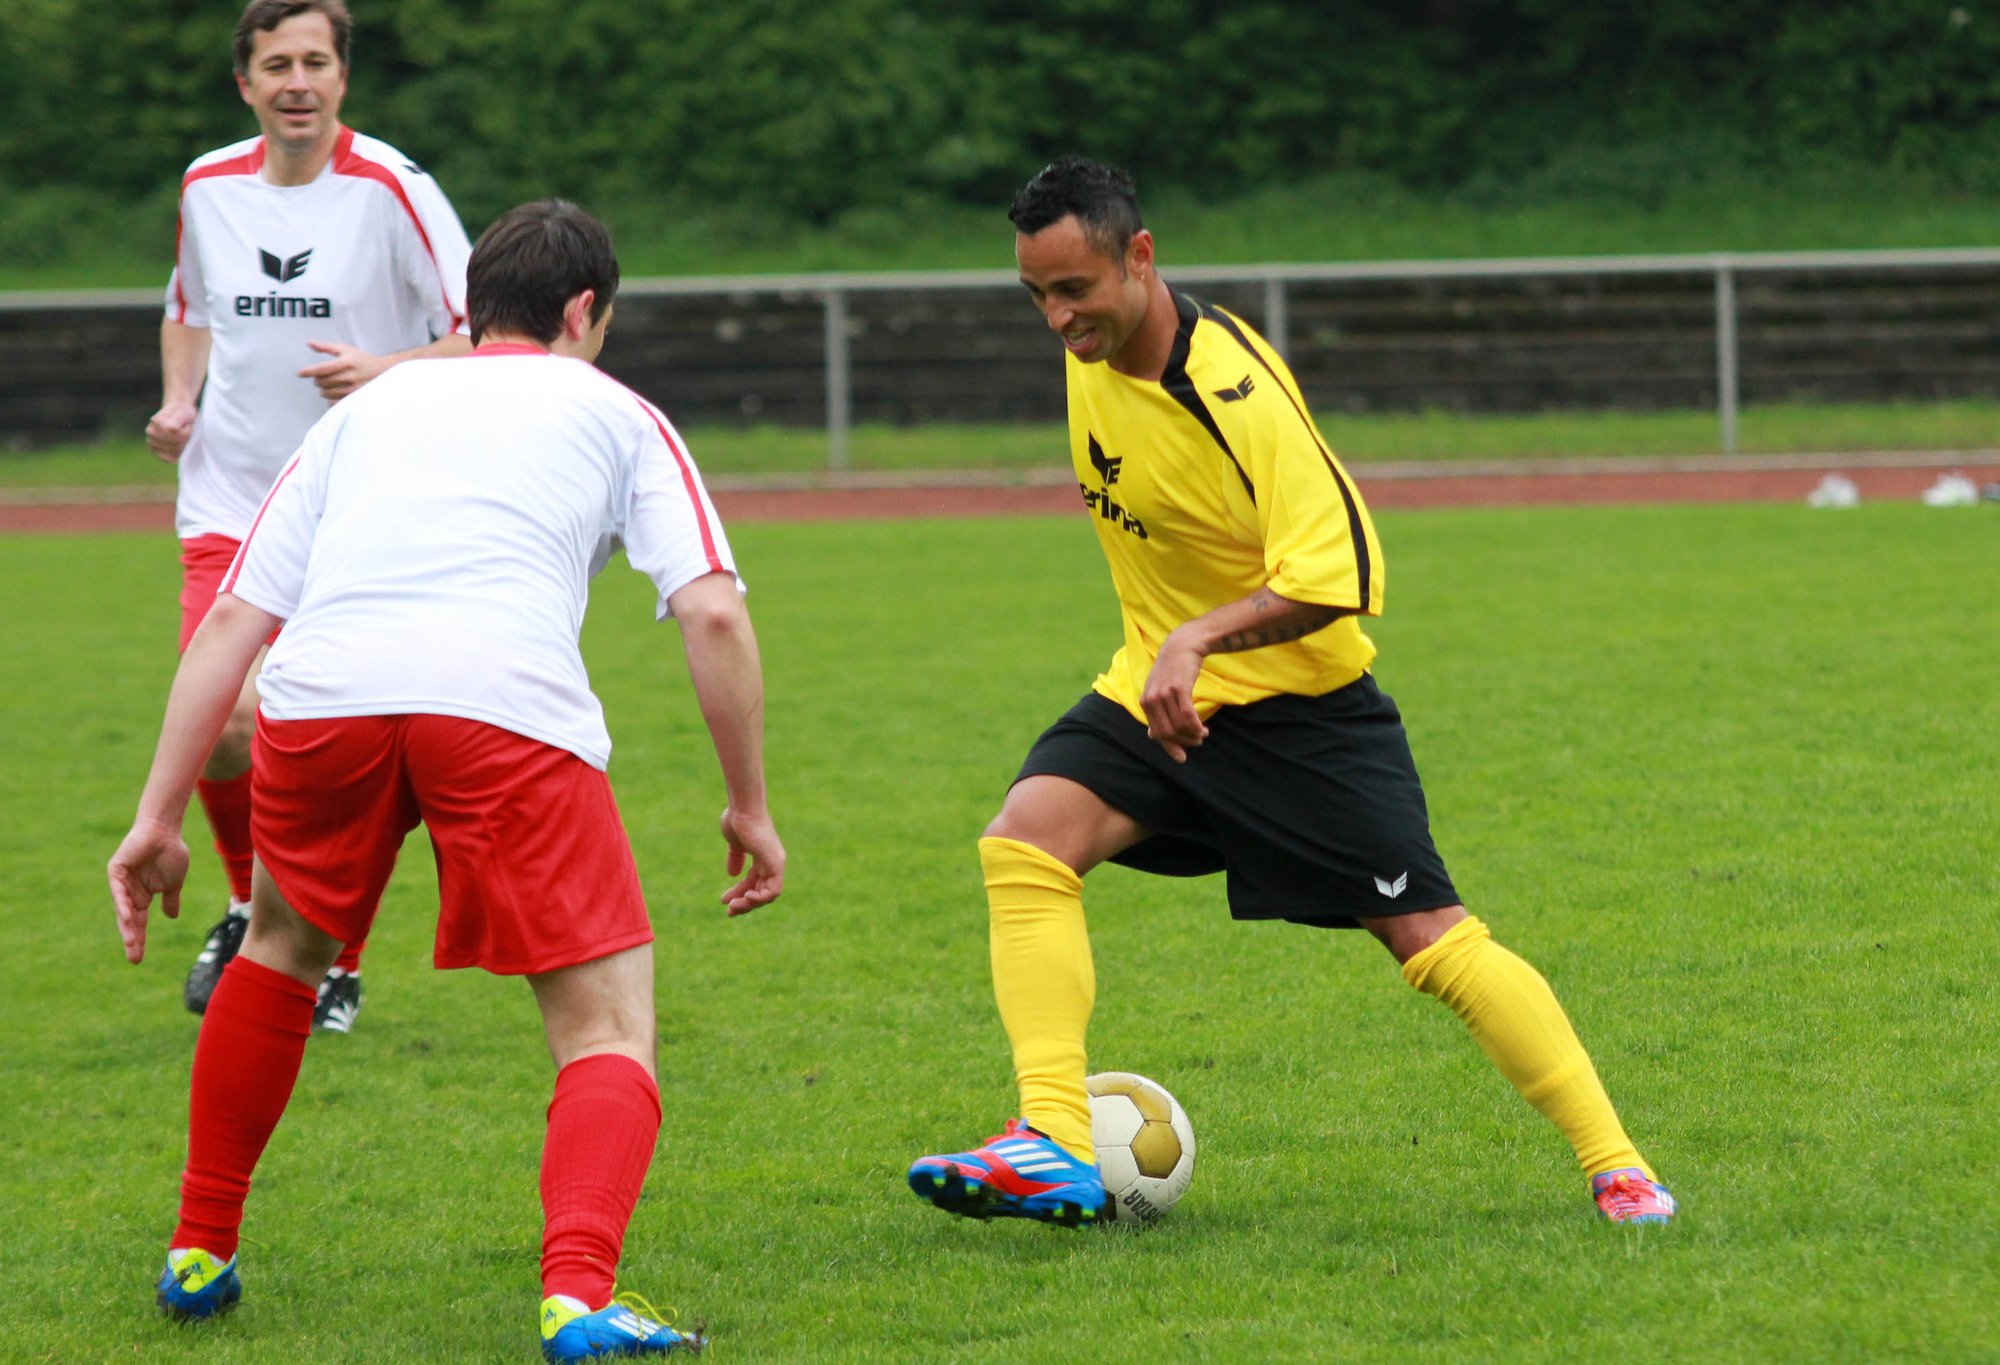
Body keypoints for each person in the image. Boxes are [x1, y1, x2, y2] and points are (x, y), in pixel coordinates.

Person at [906, 158, 1674, 1229]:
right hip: (1163, 699)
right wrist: (1173, 650)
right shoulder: (1094, 350)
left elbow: (1340, 574)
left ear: (1140, 257)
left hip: (1301, 716)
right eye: (1035, 294)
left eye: (1074, 289)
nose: (1056, 319)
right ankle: (1053, 1141)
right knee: (1025, 841)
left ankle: (1619, 1167)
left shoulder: (1233, 389)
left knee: (1432, 940)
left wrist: (1197, 636)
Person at [109, 199, 782, 1358]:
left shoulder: (368, 411)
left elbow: (231, 622)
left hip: (323, 701)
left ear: (472, 309)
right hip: (501, 708)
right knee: (606, 1024)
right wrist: (749, 805)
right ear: (584, 311)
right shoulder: (617, 411)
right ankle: (576, 1298)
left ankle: (199, 1249)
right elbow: (712, 612)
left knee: (278, 952)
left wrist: (157, 818)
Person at [146, 0, 475, 1032]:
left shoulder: (394, 189)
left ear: (342, 78)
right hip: (230, 498)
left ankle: (333, 961)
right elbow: (189, 308)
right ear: (244, 83)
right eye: (277, 64)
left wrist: (384, 368)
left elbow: (483, 334)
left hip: (360, 507)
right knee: (221, 722)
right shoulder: (208, 185)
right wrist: (180, 398)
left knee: (329, 741)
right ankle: (252, 908)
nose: (298, 82)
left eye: (316, 62)